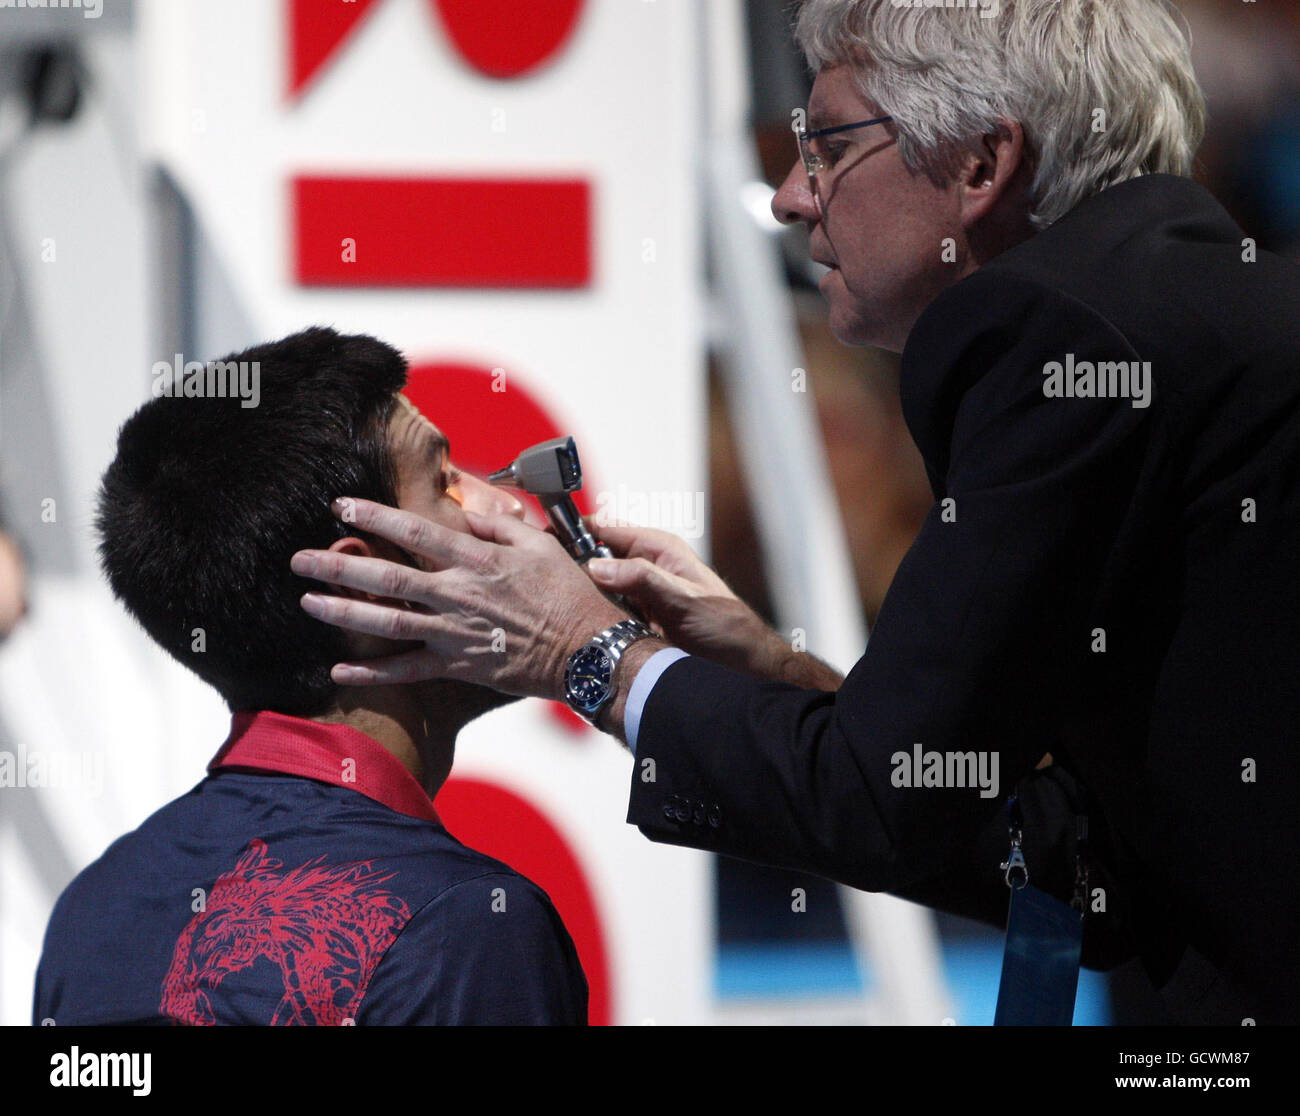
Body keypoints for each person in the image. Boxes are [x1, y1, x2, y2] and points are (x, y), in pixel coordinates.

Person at [288, 0, 1300, 1024]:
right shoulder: (1175, 308)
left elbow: (885, 803)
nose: (784, 197)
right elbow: (1083, 860)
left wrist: (584, 653)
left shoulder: (1049, 331)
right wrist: (778, 677)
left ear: (981, 165)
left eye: (826, 147)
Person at [34, 326, 587, 1026]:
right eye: (446, 482)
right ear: (362, 588)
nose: (508, 504)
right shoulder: (464, 926)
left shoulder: (92, 912)